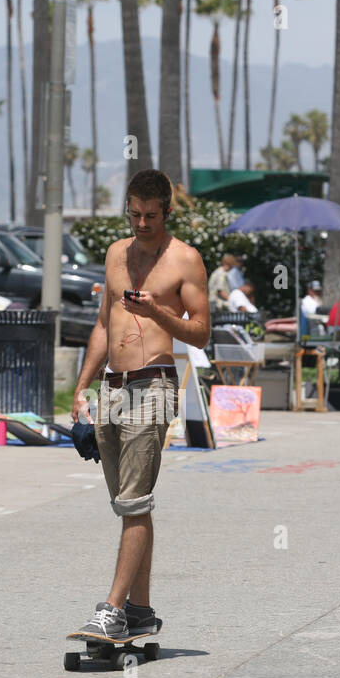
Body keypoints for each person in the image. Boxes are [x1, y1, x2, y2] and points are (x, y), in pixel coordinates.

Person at [69, 168, 209, 640]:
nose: (142, 223)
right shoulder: (116, 254)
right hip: (112, 386)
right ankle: (141, 610)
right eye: (134, 215)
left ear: (166, 212)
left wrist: (157, 312)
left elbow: (201, 333)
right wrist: (81, 387)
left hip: (154, 385)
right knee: (129, 506)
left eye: (151, 215)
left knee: (134, 501)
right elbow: (103, 326)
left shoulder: (185, 260)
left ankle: (112, 608)